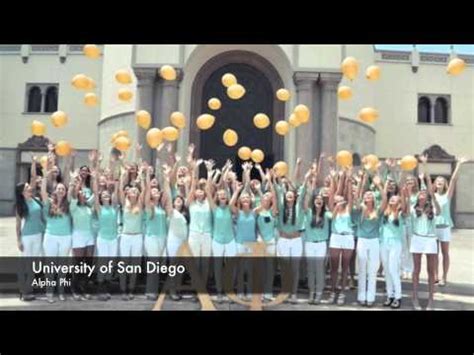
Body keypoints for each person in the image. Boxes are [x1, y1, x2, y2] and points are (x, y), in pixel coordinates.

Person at [433, 157, 468, 286]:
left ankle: (444, 277)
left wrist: (459, 164)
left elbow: (453, 180)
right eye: (438, 181)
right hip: (433, 226)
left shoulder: (447, 195)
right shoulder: (432, 195)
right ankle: (435, 276)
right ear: (435, 183)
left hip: (445, 227)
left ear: (444, 184)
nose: (440, 182)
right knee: (434, 253)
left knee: (445, 253)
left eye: (442, 181)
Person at [40, 165, 72, 303]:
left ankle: (61, 292)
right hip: (50, 237)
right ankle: (49, 292)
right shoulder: (49, 203)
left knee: (62, 267)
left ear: (65, 192)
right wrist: (46, 176)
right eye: (58, 188)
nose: (60, 190)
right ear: (55, 190)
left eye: (63, 189)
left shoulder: (68, 203)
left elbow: (71, 187)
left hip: (65, 237)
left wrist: (71, 177)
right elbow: (42, 191)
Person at [410, 172, 441, 310]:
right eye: (420, 192)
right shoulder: (413, 208)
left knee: (430, 271)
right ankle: (415, 298)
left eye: (424, 192)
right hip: (417, 239)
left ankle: (430, 300)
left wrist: (428, 180)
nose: (422, 193)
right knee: (416, 270)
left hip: (430, 240)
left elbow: (434, 199)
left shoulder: (433, 208)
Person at [380, 182, 408, 309]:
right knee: (386, 270)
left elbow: (405, 205)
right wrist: (384, 185)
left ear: (399, 202)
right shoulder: (385, 212)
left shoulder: (401, 213)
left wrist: (402, 192)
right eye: (391, 197)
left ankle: (398, 296)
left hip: (395, 243)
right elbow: (384, 196)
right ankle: (389, 295)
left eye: (395, 198)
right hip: (383, 242)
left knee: (393, 269)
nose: (392, 198)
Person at [15, 182, 45, 301]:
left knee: (34, 264)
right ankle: (23, 290)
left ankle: (29, 289)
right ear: (22, 192)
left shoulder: (36, 200)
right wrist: (18, 240)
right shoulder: (20, 205)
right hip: (27, 237)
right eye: (27, 187)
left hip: (39, 235)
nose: (30, 188)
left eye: (29, 186)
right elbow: (17, 225)